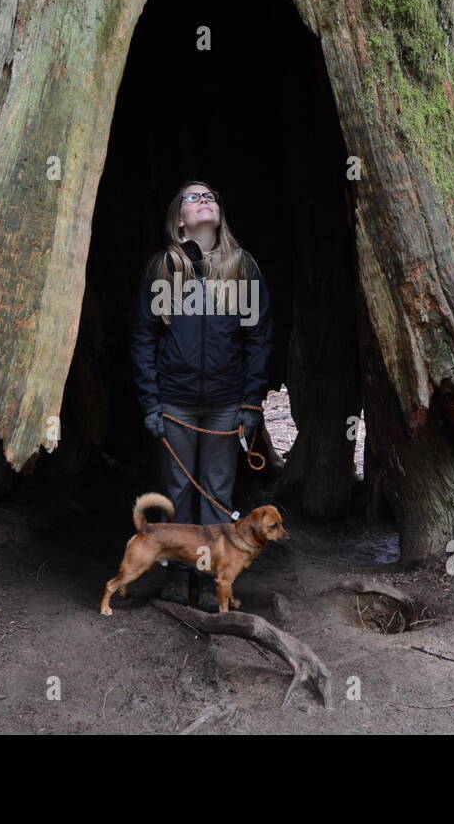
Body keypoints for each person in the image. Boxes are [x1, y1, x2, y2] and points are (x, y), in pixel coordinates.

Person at [129, 180, 273, 611]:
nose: (204, 200)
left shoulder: (241, 268)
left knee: (215, 492)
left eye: (209, 195)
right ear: (179, 219)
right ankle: (176, 576)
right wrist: (150, 402)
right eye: (193, 197)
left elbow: (258, 339)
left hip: (226, 403)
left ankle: (212, 580)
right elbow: (143, 338)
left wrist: (250, 403)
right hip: (175, 402)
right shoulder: (164, 270)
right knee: (176, 492)